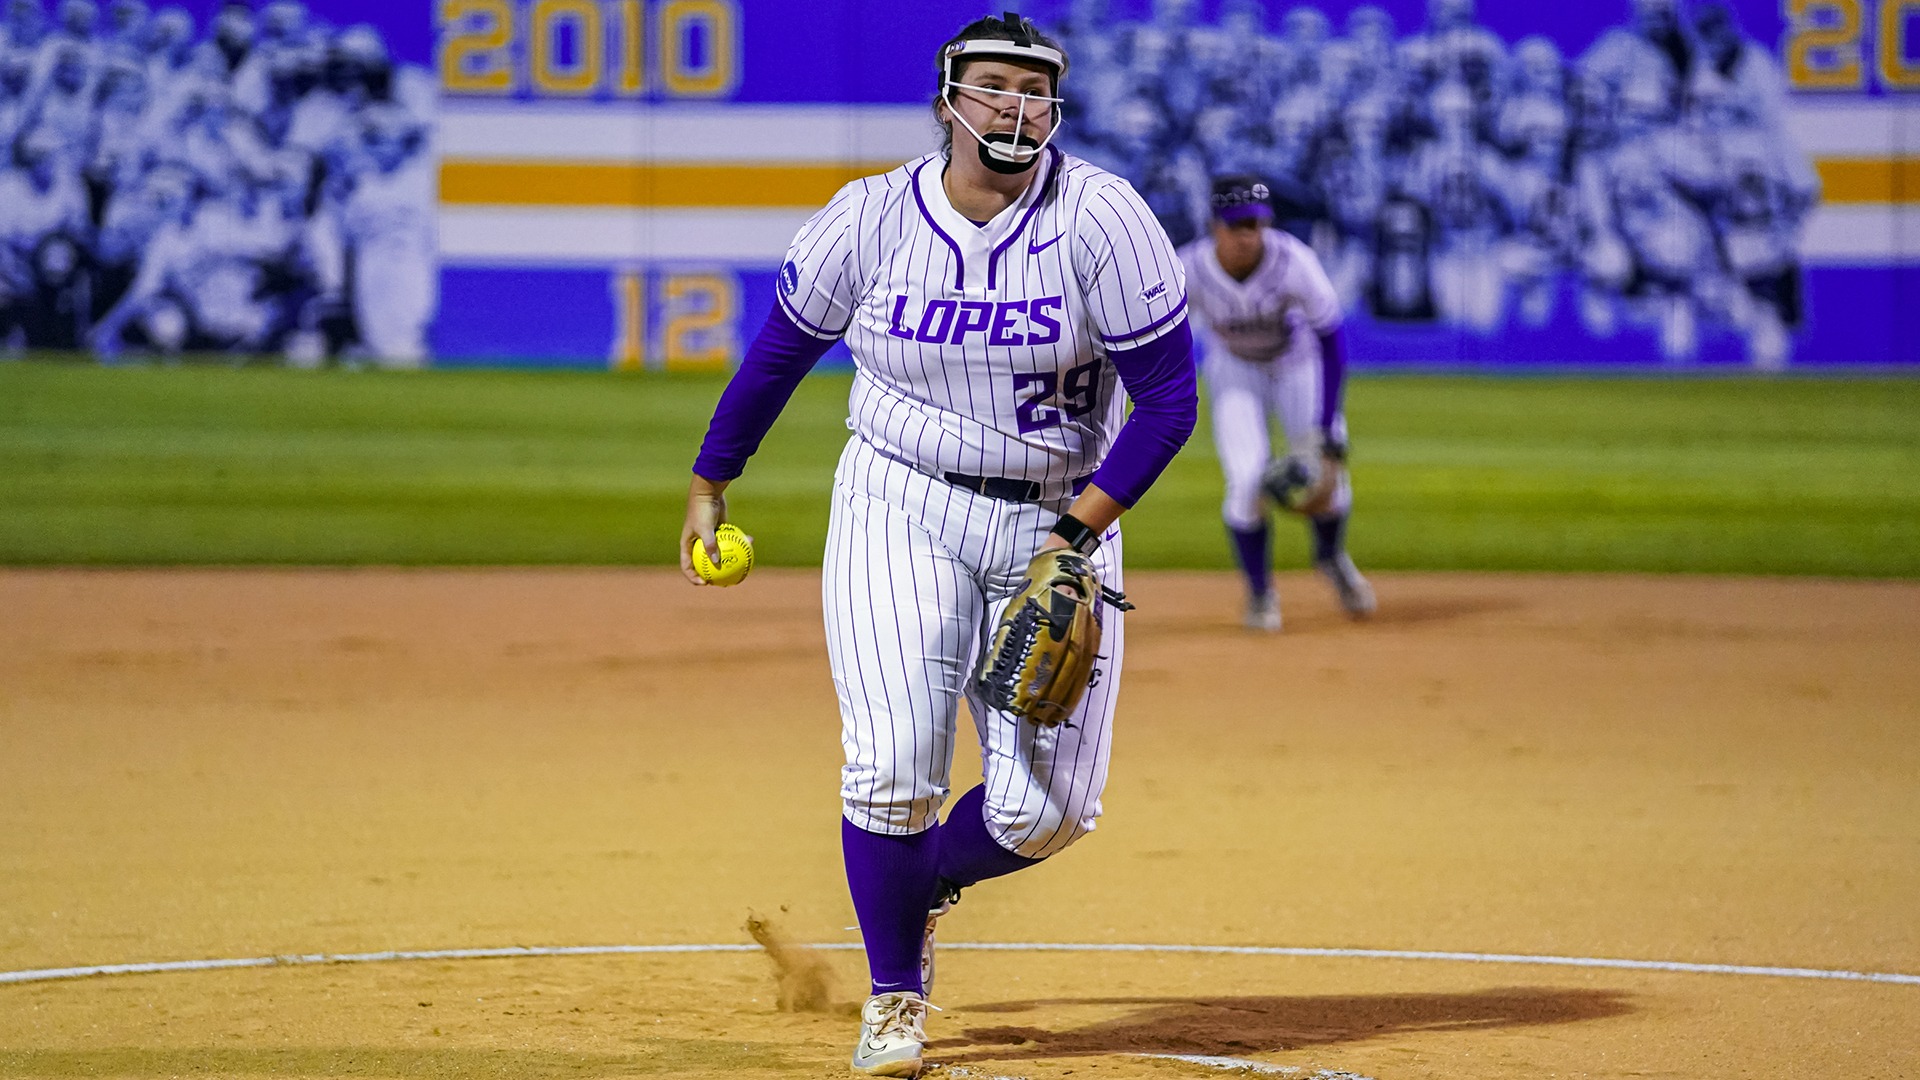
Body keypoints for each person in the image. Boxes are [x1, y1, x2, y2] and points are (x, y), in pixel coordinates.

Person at [679, 13, 1196, 1077]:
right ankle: (894, 999)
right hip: (898, 501)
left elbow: (1170, 401)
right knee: (893, 771)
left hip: (1060, 518)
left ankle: (914, 886)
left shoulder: (1102, 218)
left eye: (1037, 90)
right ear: (949, 96)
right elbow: (778, 356)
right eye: (997, 85)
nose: (1017, 108)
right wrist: (709, 482)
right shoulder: (868, 219)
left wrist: (1076, 536)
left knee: (1045, 814)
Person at [1178, 175, 1374, 632]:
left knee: (1327, 483)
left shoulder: (1293, 259)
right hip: (1234, 368)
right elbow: (1166, 335)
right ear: (1215, 226)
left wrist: (1326, 428)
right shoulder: (1188, 266)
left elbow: (1331, 339)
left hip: (1296, 363)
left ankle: (1331, 558)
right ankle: (1261, 593)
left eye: (1257, 223)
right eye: (1238, 224)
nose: (1250, 234)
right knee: (1246, 482)